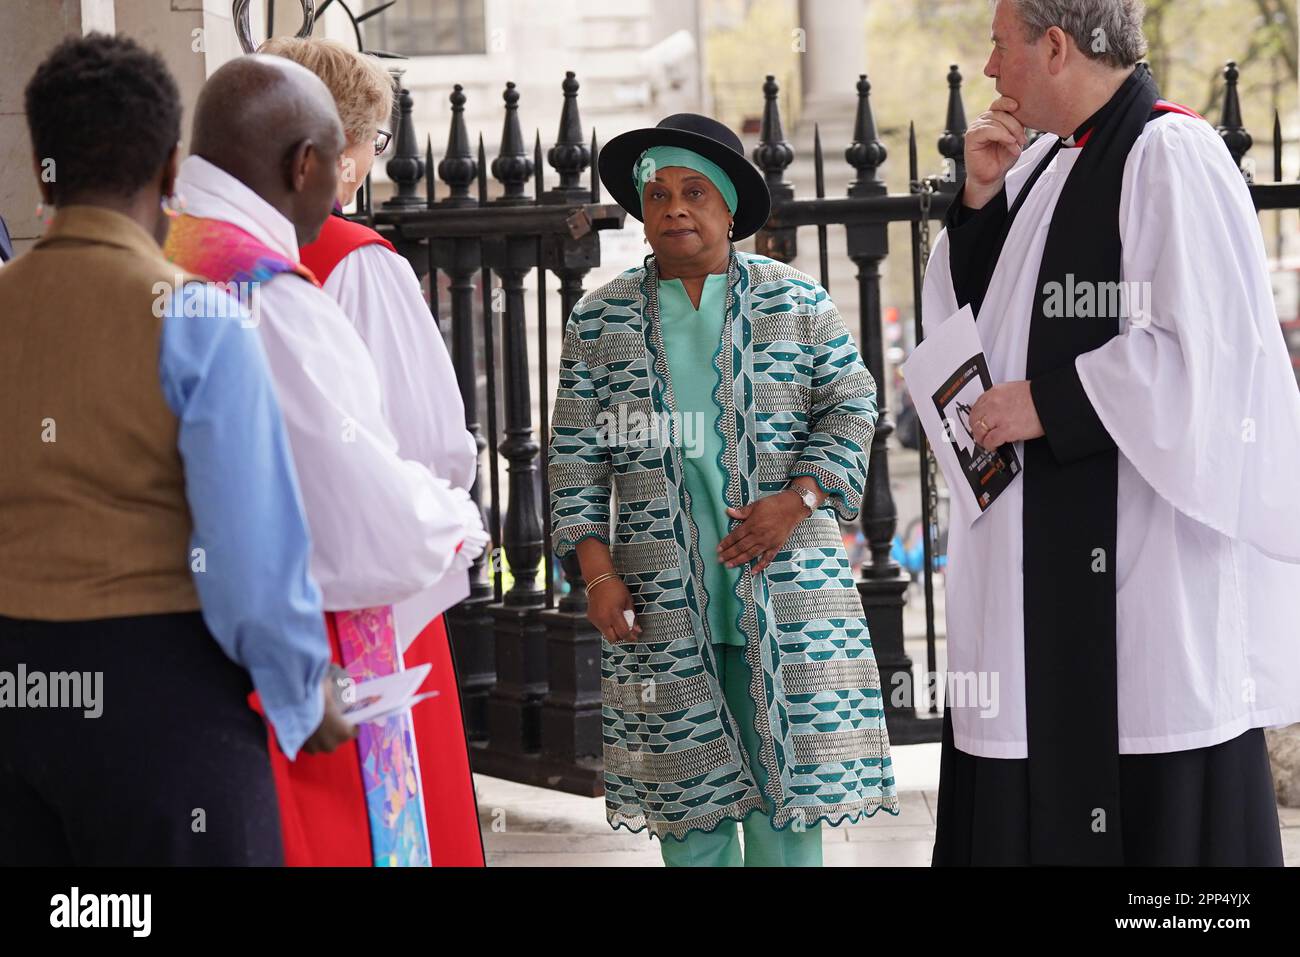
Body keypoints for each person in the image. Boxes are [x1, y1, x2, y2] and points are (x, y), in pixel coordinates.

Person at [921, 0, 1300, 865]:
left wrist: (1048, 403)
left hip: (1138, 567)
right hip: (1026, 560)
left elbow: (1200, 356)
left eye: (998, 48)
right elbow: (987, 318)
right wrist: (980, 205)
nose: (989, 72)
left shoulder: (1169, 153)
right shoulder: (1052, 162)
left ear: (1055, 47)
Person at [0, 33, 352, 866]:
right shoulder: (196, 319)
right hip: (158, 700)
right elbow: (248, 552)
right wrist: (303, 690)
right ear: (169, 167)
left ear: (41, 159)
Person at [550, 113, 898, 867]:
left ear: (729, 208)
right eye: (658, 194)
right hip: (660, 600)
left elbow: (853, 402)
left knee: (786, 802)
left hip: (788, 588)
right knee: (689, 811)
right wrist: (598, 573)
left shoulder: (795, 301)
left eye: (694, 191)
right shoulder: (598, 317)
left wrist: (797, 498)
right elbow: (576, 457)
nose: (674, 207)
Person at [163, 54, 486, 866]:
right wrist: (452, 519)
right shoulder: (280, 285)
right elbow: (386, 479)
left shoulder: (162, 246)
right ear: (310, 160)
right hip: (309, 632)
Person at [256, 35, 488, 867]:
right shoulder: (360, 262)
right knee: (381, 815)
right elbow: (428, 443)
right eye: (373, 142)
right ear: (338, 150)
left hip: (251, 591)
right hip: (367, 601)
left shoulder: (199, 253)